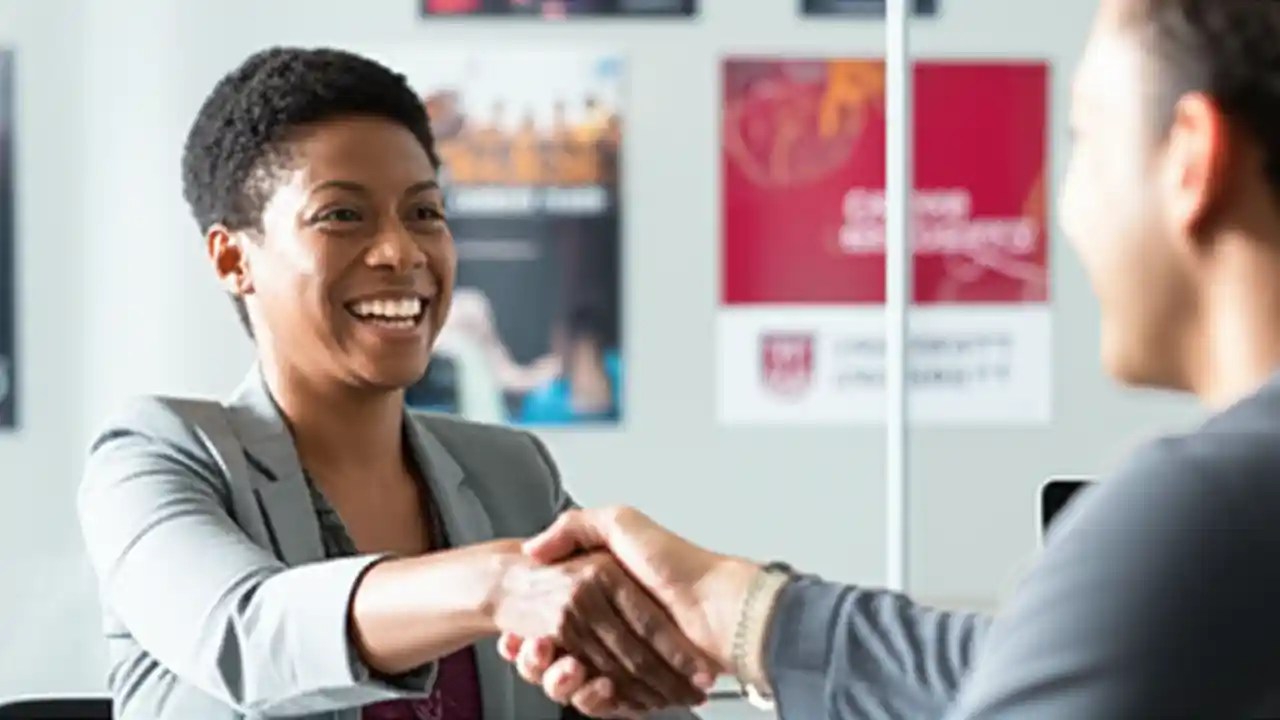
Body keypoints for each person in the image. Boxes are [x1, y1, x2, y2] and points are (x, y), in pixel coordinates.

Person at [503, 0, 1280, 717]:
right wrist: (740, 609)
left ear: (1190, 157)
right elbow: (1017, 668)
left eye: (1085, 140)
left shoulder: (1204, 518)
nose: (1063, 209)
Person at [75, 47, 714, 720]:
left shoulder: (512, 475)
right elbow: (247, 636)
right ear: (233, 258)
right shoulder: (155, 458)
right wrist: (497, 586)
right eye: (342, 215)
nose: (402, 251)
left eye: (425, 213)